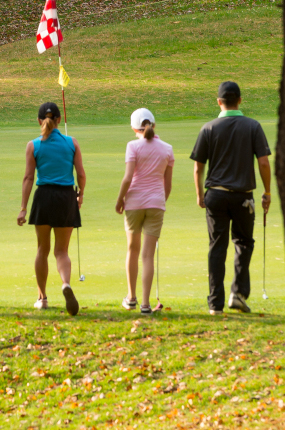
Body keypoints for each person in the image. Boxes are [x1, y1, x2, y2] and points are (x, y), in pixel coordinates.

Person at [190, 81, 272, 315]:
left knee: (217, 246)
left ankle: (215, 303)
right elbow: (264, 162)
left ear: (219, 102)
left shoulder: (209, 128)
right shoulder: (253, 126)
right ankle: (238, 293)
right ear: (240, 101)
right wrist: (267, 192)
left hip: (215, 195)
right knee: (244, 243)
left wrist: (199, 194)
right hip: (243, 197)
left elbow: (198, 167)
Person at [16, 101, 85, 315]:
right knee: (62, 251)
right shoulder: (71, 142)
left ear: (39, 121)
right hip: (66, 197)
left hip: (43, 197)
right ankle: (65, 284)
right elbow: (81, 174)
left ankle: (42, 297)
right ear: (59, 120)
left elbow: (28, 177)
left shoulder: (33, 145)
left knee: (42, 250)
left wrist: (23, 208)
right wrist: (80, 194)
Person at [114, 107, 174, 314]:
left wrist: (120, 199)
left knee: (133, 250)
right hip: (156, 203)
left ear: (134, 127)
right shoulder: (167, 148)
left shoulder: (132, 146)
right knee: (148, 255)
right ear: (153, 125)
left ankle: (131, 298)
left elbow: (128, 178)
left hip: (134, 203)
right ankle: (146, 304)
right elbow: (168, 186)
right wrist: (160, 202)